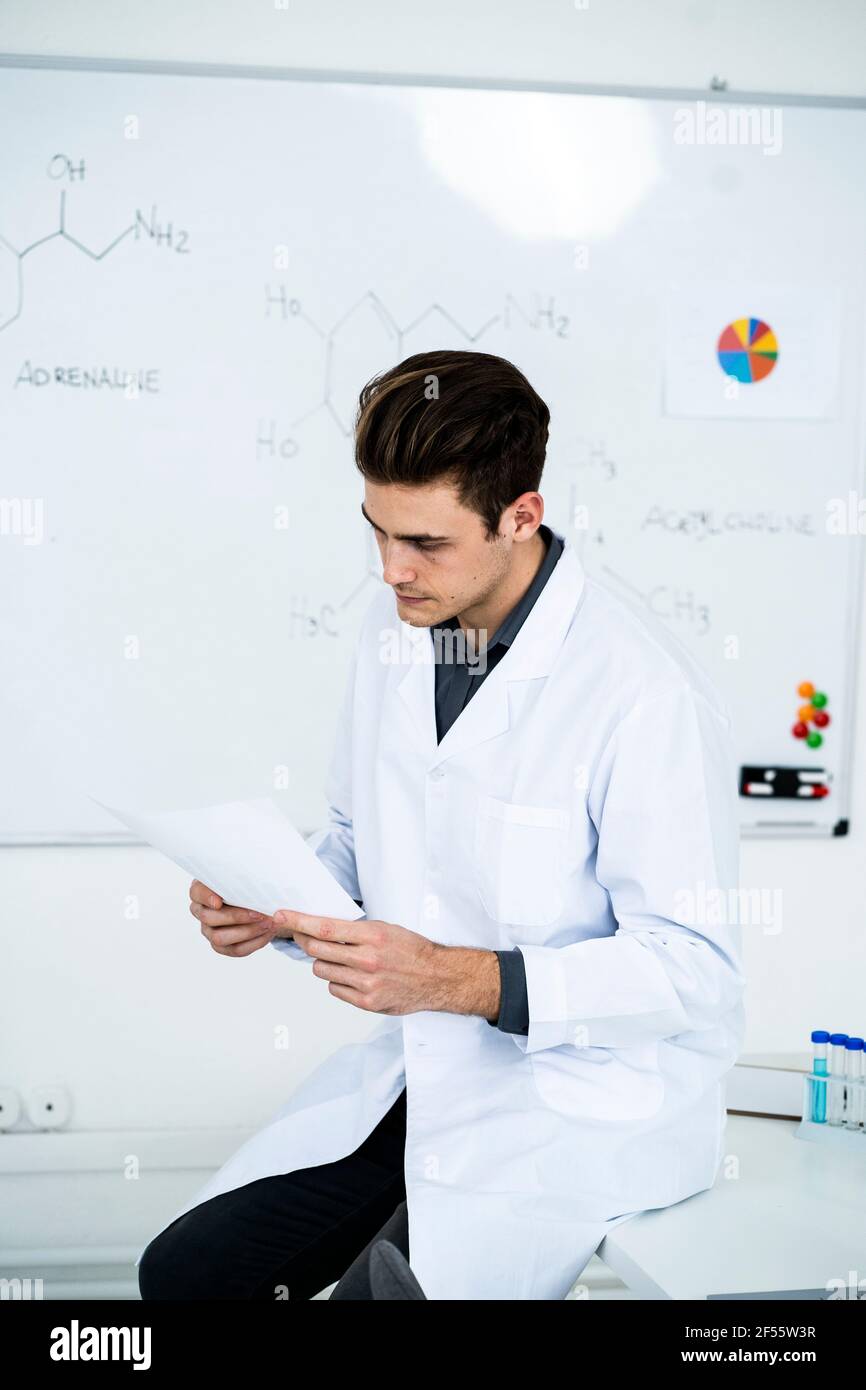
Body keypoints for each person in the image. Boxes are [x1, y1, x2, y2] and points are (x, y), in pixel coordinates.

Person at [138, 350, 746, 1301]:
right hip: (425, 1074)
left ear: (521, 517)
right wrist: (276, 905)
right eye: (377, 532)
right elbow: (359, 835)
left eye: (424, 542)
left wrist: (460, 979)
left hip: (573, 1102)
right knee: (192, 1274)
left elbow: (693, 968)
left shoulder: (643, 694)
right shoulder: (400, 630)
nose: (391, 571)